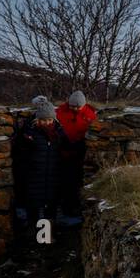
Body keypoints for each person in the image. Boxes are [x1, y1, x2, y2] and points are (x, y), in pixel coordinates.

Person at [13, 96, 64, 231]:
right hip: (34, 177)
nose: (47, 123)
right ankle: (34, 235)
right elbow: (20, 155)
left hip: (52, 177)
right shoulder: (29, 133)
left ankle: (46, 237)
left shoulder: (59, 133)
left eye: (50, 120)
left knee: (50, 207)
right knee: (34, 207)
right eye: (43, 120)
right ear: (37, 119)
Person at [55, 90, 97, 225]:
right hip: (62, 153)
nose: (75, 109)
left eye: (78, 107)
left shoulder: (90, 114)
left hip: (80, 154)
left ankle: (75, 209)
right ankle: (65, 210)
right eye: (72, 106)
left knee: (78, 182)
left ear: (83, 105)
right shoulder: (60, 112)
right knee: (63, 182)